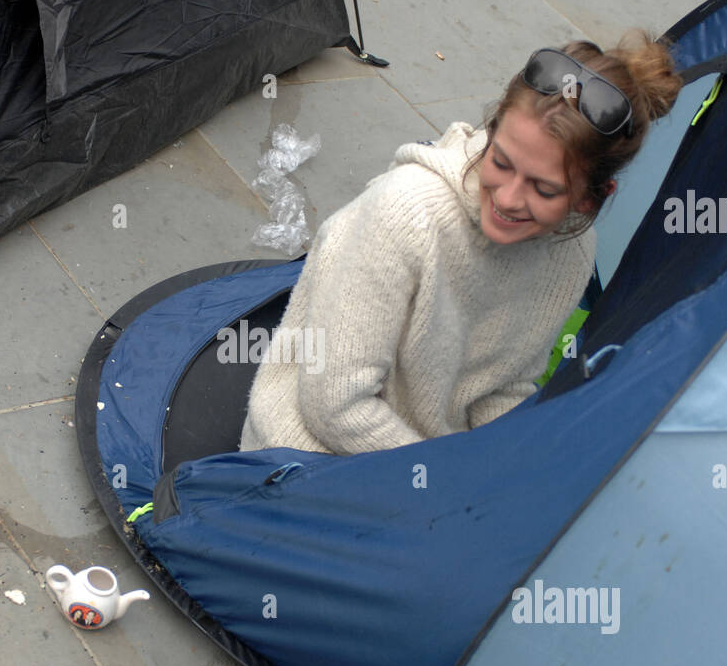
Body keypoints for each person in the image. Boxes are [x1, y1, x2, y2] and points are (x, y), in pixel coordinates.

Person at [239, 31, 682, 456]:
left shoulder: (572, 259)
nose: (508, 198)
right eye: (501, 162)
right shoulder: (405, 212)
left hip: (425, 456)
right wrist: (442, 479)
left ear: (589, 201)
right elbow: (334, 406)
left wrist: (505, 463)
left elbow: (503, 387)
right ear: (489, 132)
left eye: (544, 190)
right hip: (307, 456)